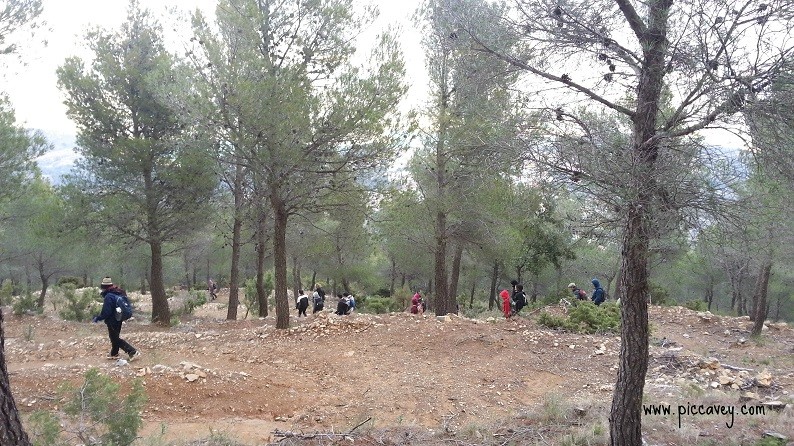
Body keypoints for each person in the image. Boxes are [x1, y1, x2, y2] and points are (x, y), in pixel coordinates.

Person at [92, 277, 140, 361]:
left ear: (103, 287)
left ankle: (132, 351)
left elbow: (106, 312)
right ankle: (114, 353)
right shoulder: (118, 293)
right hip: (119, 318)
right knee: (114, 336)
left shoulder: (108, 296)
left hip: (112, 320)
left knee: (115, 338)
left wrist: (98, 318)